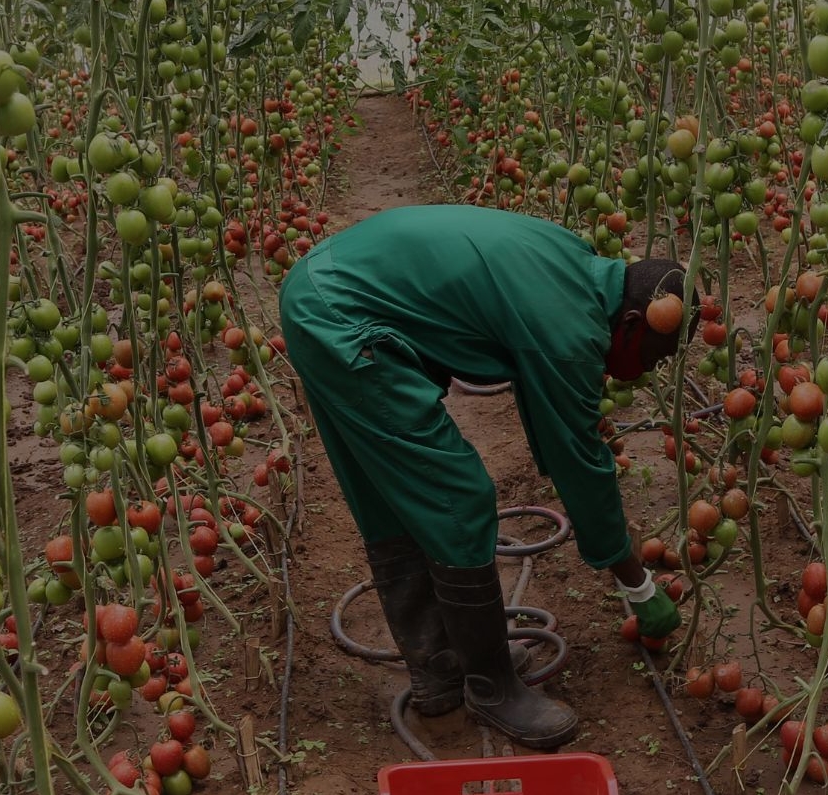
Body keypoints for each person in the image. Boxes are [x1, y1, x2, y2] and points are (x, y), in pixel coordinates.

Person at [279, 205, 687, 750]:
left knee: (395, 490)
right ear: (633, 324)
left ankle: (443, 667)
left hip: (327, 286)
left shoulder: (578, 266)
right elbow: (578, 462)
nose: (650, 371)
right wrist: (638, 584)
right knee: (456, 495)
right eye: (656, 359)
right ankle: (493, 687)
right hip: (344, 315)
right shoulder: (568, 331)